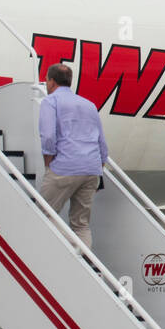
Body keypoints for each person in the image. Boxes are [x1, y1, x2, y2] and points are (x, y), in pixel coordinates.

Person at [38, 63, 108, 248]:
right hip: (92, 169)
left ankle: (71, 246)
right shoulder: (89, 105)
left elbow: (48, 136)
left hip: (64, 167)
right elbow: (102, 142)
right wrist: (98, 167)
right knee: (81, 224)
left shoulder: (50, 101)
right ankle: (85, 259)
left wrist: (48, 161)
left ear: (51, 81)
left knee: (43, 214)